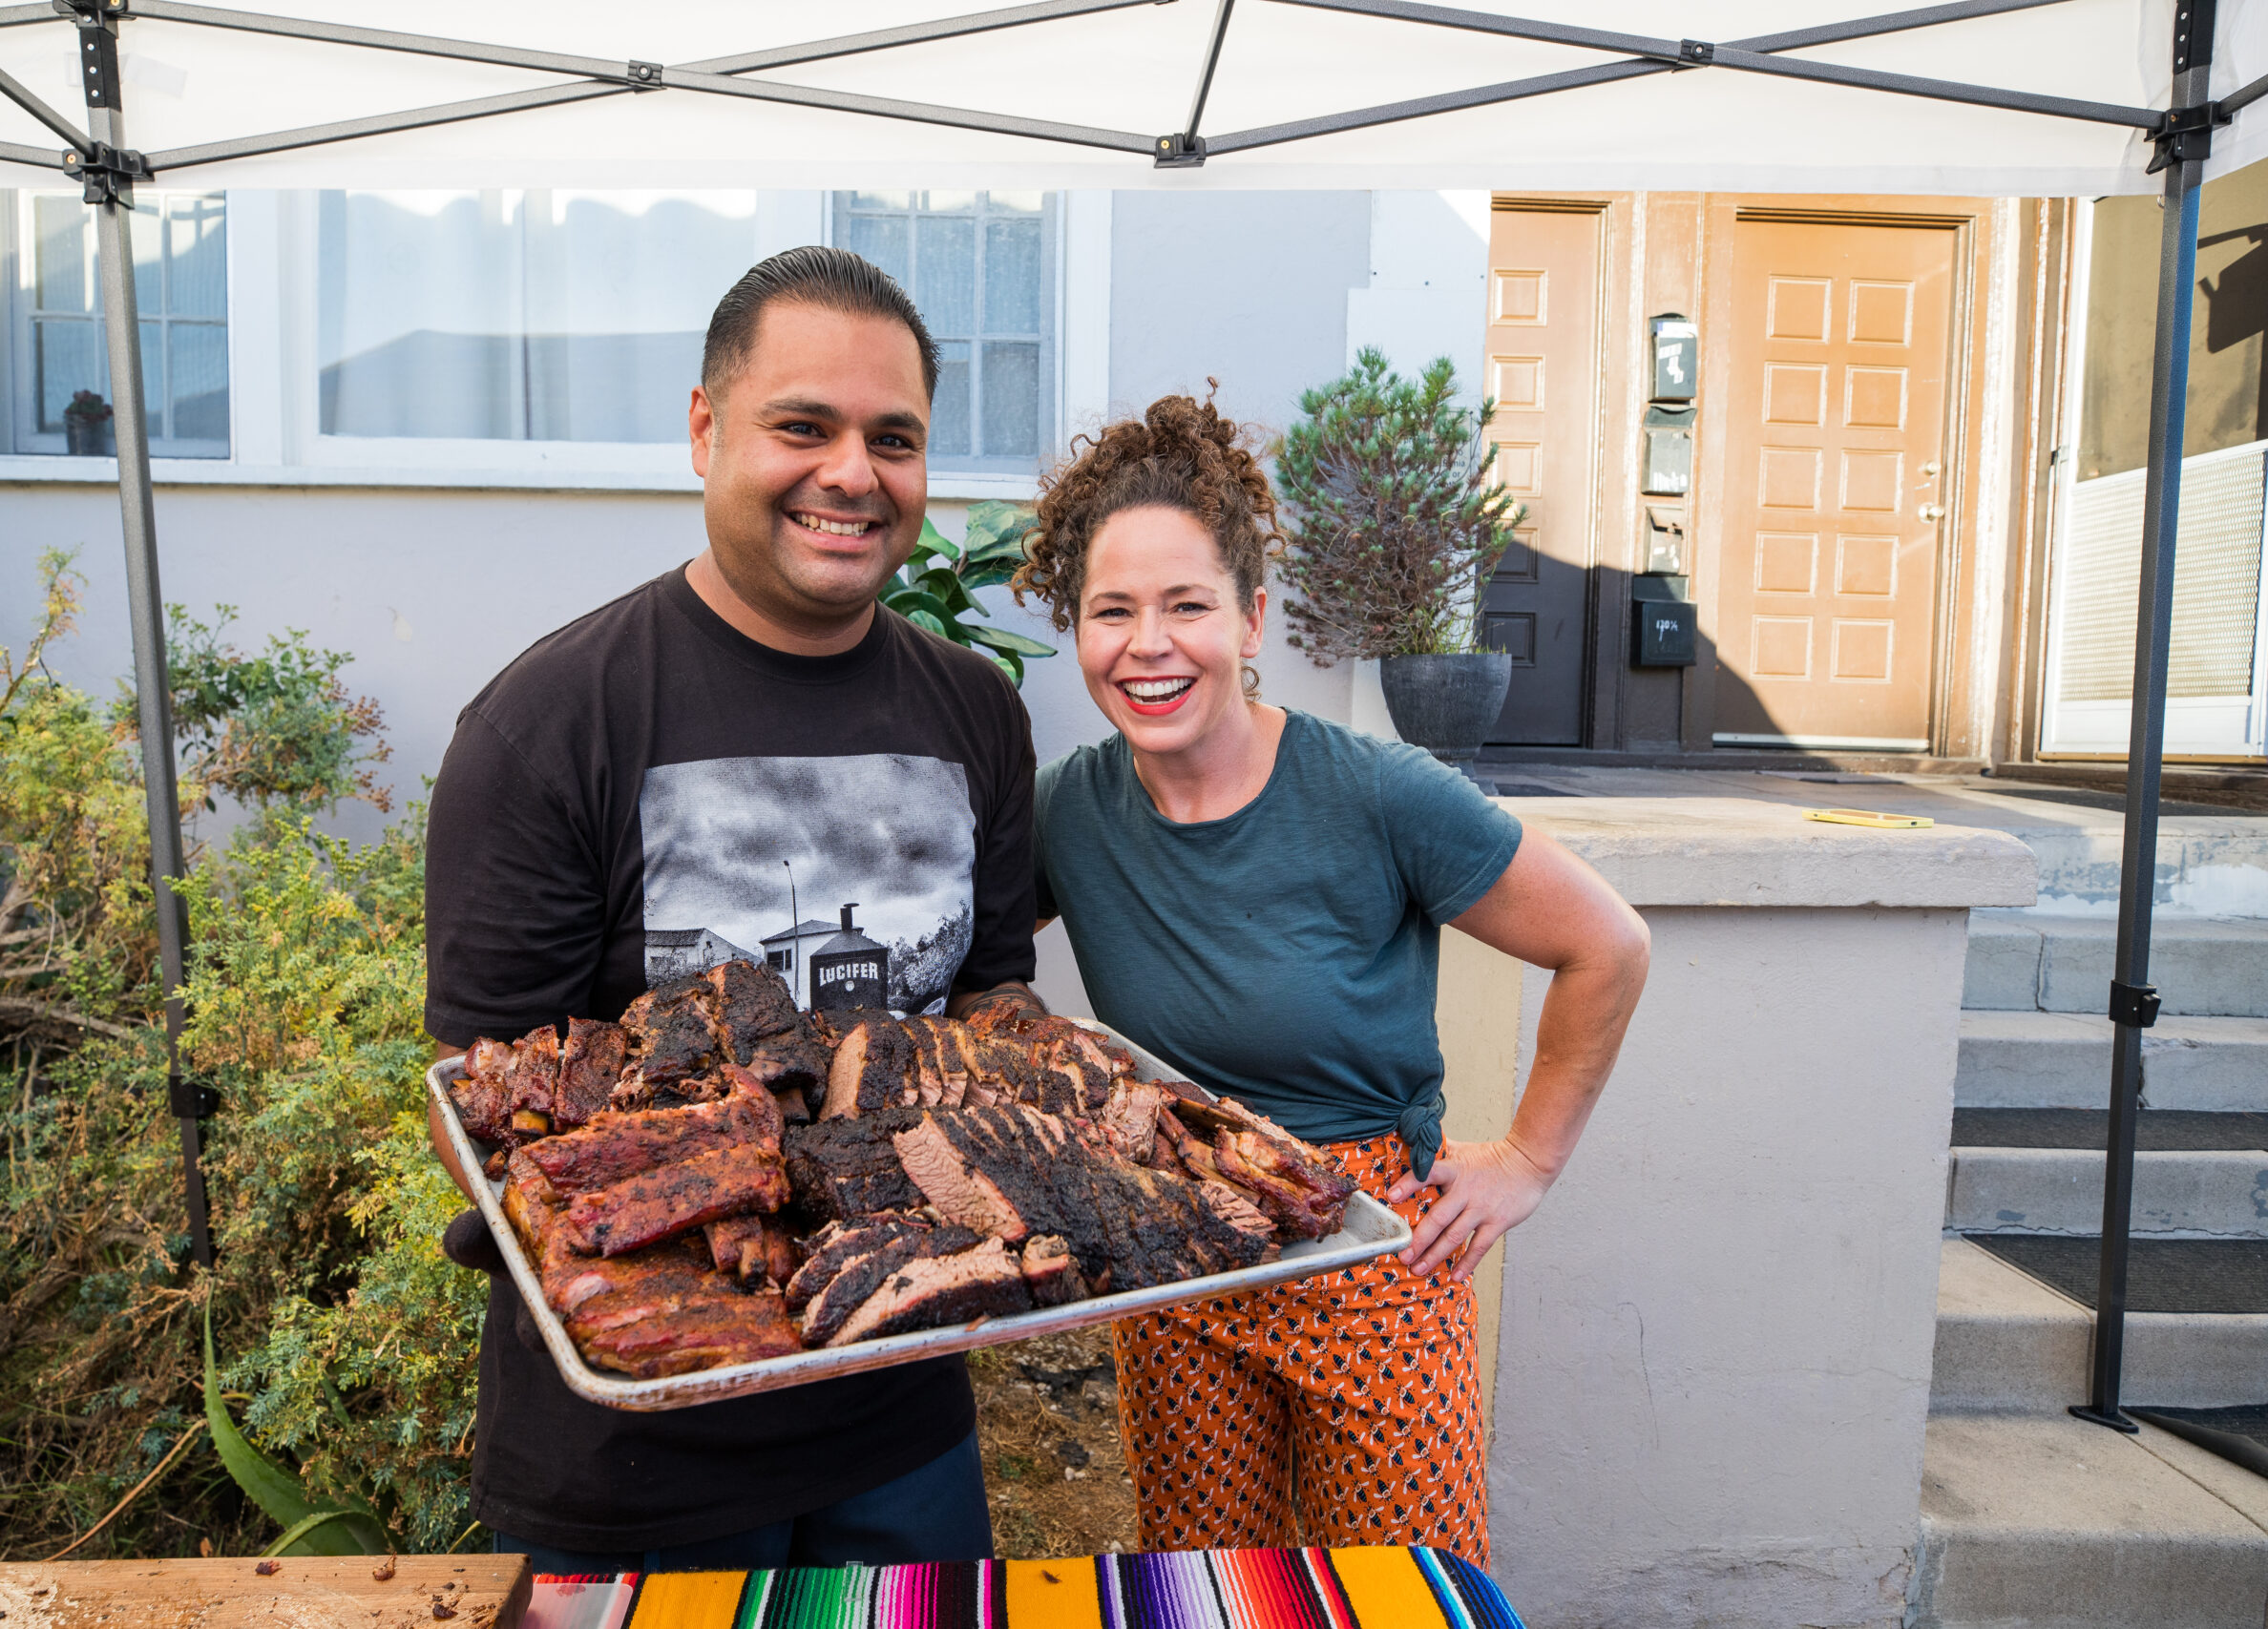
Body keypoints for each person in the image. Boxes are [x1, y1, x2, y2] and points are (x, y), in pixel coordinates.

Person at [423, 246, 1043, 1577]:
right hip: (638, 1442)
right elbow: (475, 1099)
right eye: (802, 426)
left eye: (894, 439)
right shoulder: (552, 720)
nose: (853, 474)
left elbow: (993, 995)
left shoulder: (975, 711)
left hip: (902, 1409)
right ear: (707, 430)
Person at [1015, 392, 1649, 1564]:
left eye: (1186, 605)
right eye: (1112, 611)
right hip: (1179, 1246)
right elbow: (961, 956)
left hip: (1369, 1251)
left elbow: (1606, 944)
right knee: (1211, 1587)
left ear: (1251, 618)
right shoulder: (1070, 810)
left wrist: (1526, 1161)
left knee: (1403, 1588)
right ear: (1079, 629)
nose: (1148, 644)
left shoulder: (1375, 793)